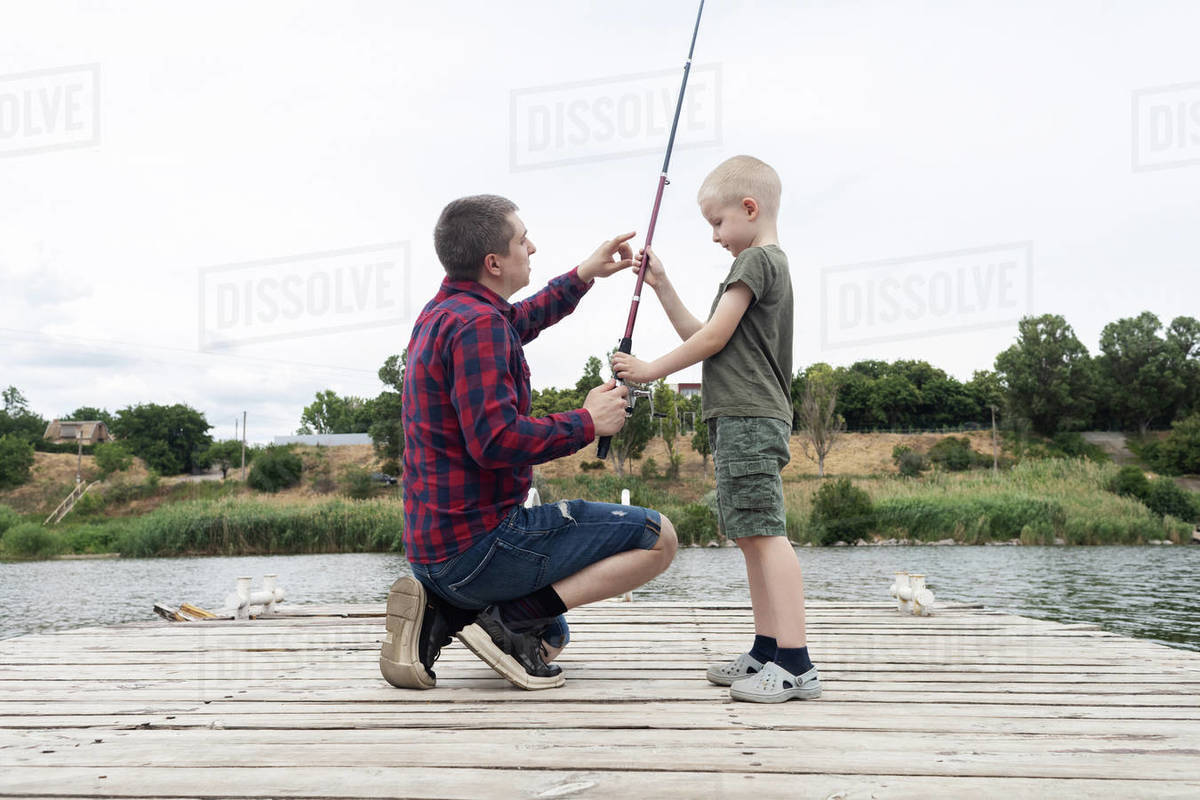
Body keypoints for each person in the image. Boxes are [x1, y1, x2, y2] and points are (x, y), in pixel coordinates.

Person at [380, 194, 678, 692]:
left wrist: (584, 274)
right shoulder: (478, 326)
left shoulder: (446, 314)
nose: (532, 247)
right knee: (658, 537)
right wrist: (588, 421)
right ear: (493, 262)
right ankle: (494, 616)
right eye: (523, 240)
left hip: (432, 552)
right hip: (479, 547)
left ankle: (443, 614)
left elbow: (521, 321)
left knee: (552, 636)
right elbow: (495, 442)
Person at [611, 155, 820, 703]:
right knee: (750, 536)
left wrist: (647, 372)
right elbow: (706, 333)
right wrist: (661, 284)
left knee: (767, 534)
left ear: (750, 209)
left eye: (718, 223)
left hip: (751, 418)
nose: (714, 236)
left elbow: (709, 341)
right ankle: (766, 650)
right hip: (741, 418)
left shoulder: (756, 263)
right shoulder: (762, 265)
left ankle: (796, 663)